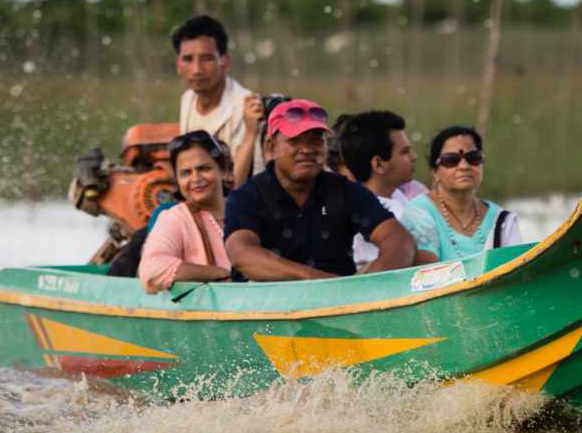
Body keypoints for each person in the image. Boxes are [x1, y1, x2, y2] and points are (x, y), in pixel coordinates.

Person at [224, 98, 418, 280]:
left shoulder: (343, 189)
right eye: (295, 141)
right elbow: (242, 255)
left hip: (340, 304)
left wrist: (368, 287)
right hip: (266, 304)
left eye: (315, 141)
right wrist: (319, 282)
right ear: (271, 147)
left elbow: (399, 240)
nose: (307, 150)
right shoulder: (247, 196)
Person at [400, 125, 524, 262]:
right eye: (451, 160)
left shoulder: (502, 220)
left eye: (473, 158)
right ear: (435, 172)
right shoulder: (419, 213)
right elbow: (427, 275)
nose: (464, 166)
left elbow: (519, 272)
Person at [172, 15, 263, 187]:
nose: (197, 70)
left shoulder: (246, 108)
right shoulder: (187, 99)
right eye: (188, 59)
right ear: (178, 64)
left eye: (207, 58)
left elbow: (236, 186)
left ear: (224, 61)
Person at [137, 131, 234, 293]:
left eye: (204, 168)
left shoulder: (245, 209)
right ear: (177, 180)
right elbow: (151, 270)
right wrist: (220, 274)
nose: (196, 179)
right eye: (185, 173)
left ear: (222, 170)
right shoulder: (176, 218)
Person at [334, 110, 429, 268]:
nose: (414, 156)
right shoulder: (361, 215)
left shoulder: (399, 197)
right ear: (378, 164)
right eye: (405, 152)